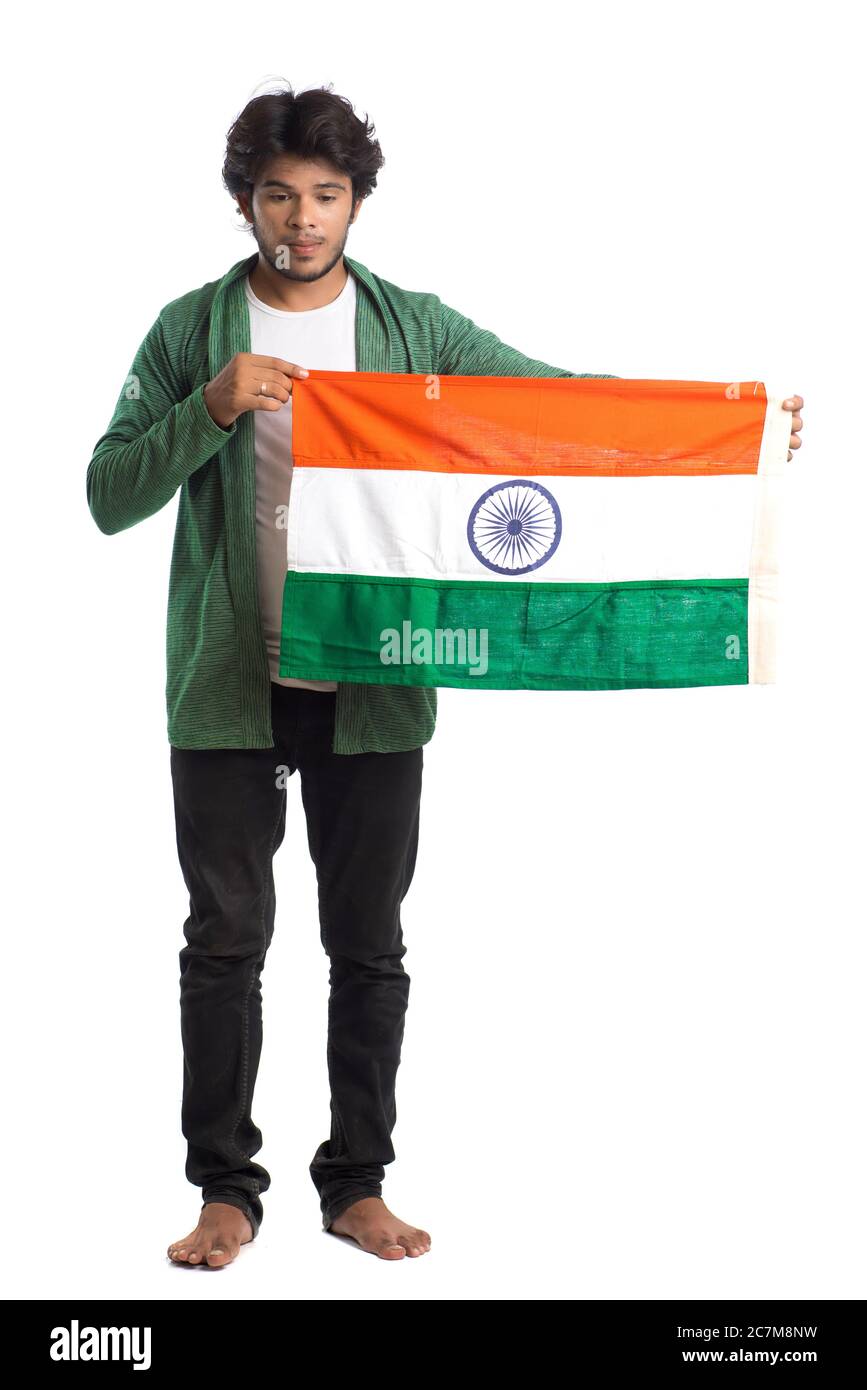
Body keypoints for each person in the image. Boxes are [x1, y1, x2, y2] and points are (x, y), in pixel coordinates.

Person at [86, 82, 804, 1267]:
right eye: (279, 194)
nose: (303, 219)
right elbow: (109, 495)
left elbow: (552, 405)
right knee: (226, 940)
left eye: (326, 195)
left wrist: (732, 434)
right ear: (244, 201)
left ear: (356, 201)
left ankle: (354, 1183)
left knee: (368, 942)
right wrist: (211, 408)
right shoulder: (189, 332)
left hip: (371, 682)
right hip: (226, 686)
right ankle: (226, 1188)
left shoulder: (414, 326)